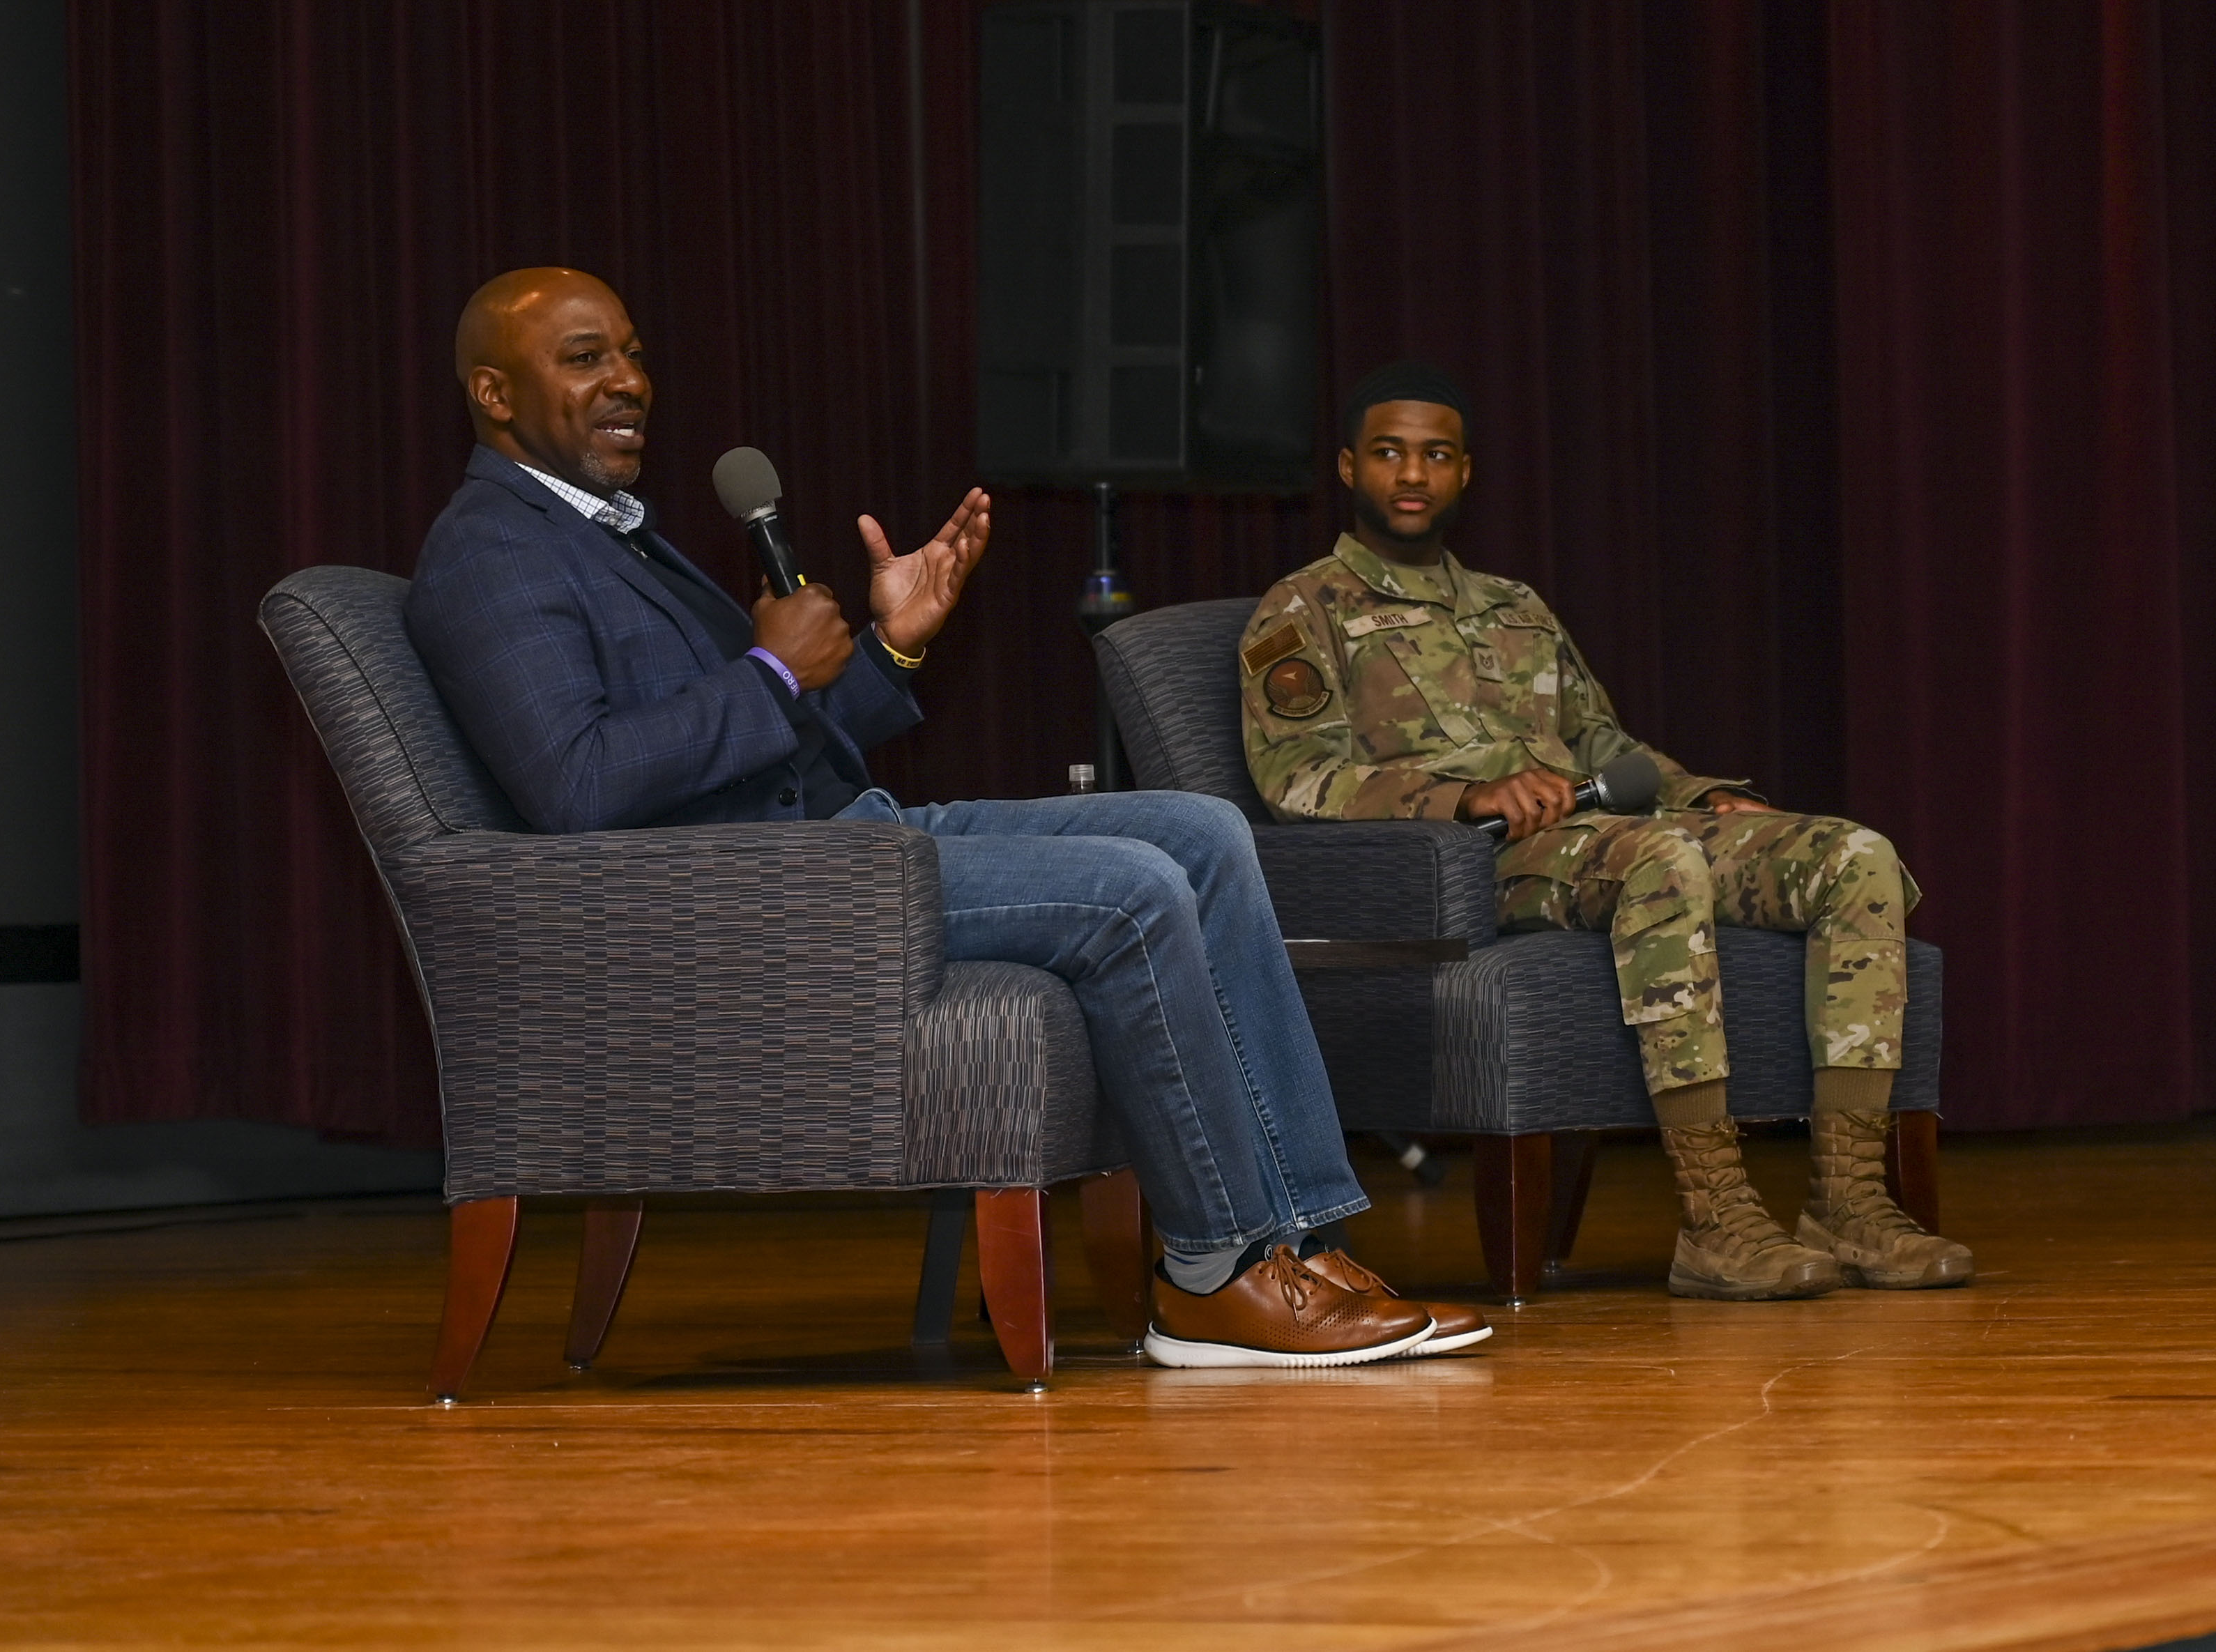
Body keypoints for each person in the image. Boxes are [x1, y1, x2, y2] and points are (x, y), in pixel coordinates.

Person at [402, 269, 1485, 1368]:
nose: (628, 380)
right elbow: (577, 788)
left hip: (843, 841)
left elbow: (779, 742)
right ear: (493, 391)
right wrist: (772, 668)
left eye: (632, 353)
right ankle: (1217, 1273)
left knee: (1199, 833)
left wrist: (889, 649)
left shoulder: (611, 533)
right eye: (586, 358)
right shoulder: (491, 552)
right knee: (1134, 886)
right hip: (759, 894)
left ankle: (1304, 1237)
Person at [1241, 362, 1972, 1301]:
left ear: (1466, 473)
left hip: (1602, 837)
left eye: (1436, 456)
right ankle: (1716, 1219)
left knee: (1851, 855)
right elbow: (1298, 780)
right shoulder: (1300, 612)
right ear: (1347, 469)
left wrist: (1706, 795)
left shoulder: (1517, 607)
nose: (1413, 475)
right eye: (1389, 454)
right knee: (1661, 858)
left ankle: (1850, 1203)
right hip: (1477, 867)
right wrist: (1464, 799)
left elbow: (1602, 743)